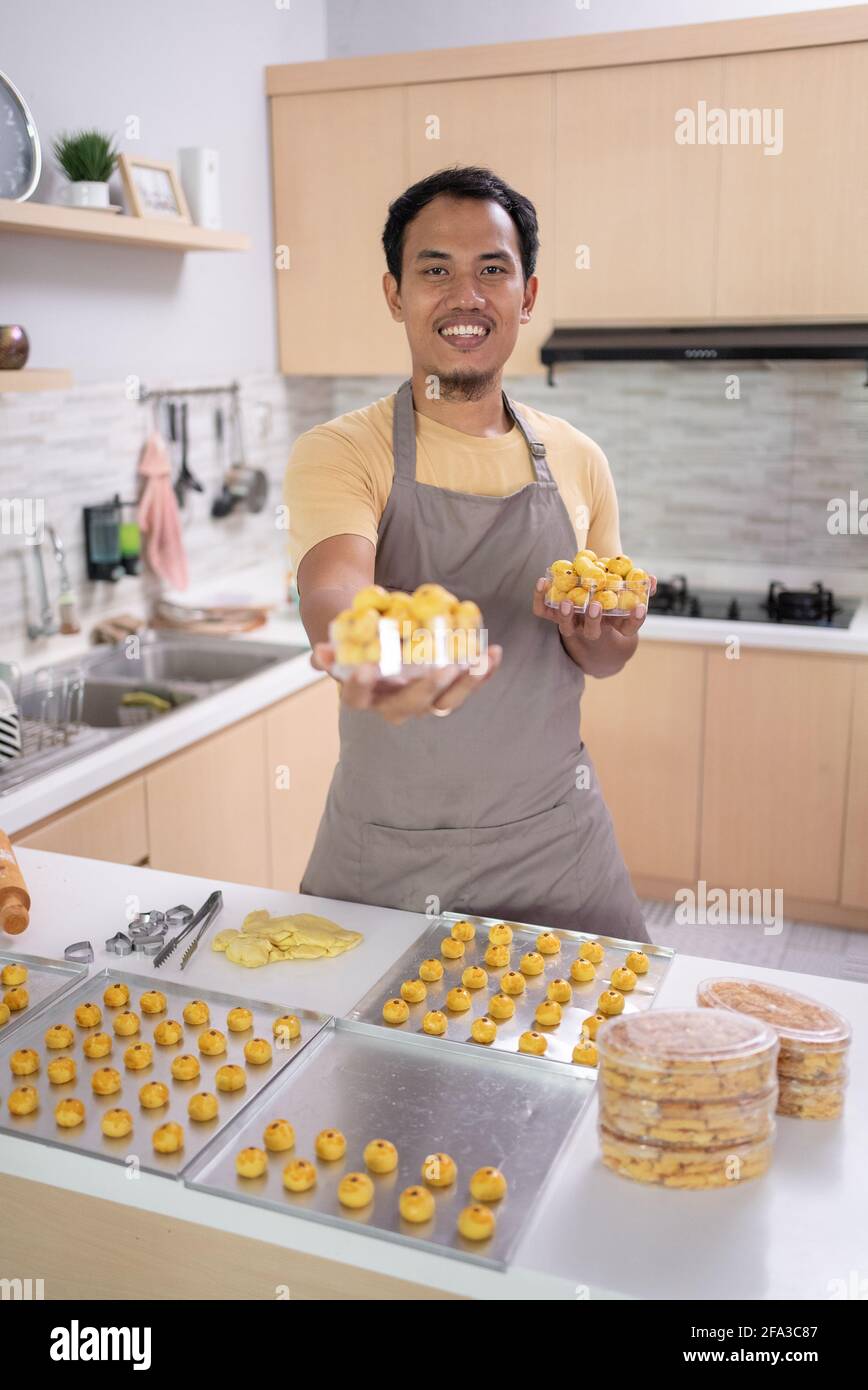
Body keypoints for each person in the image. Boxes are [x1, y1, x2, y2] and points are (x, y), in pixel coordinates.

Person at [285, 165, 652, 939]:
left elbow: (604, 656)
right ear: (394, 293)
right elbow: (332, 594)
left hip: (559, 843)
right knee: (366, 1061)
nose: (467, 296)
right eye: (435, 270)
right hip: (388, 857)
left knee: (608, 1053)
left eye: (493, 269)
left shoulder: (578, 456)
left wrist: (606, 640)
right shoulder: (343, 451)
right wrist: (375, 649)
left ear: (528, 295)